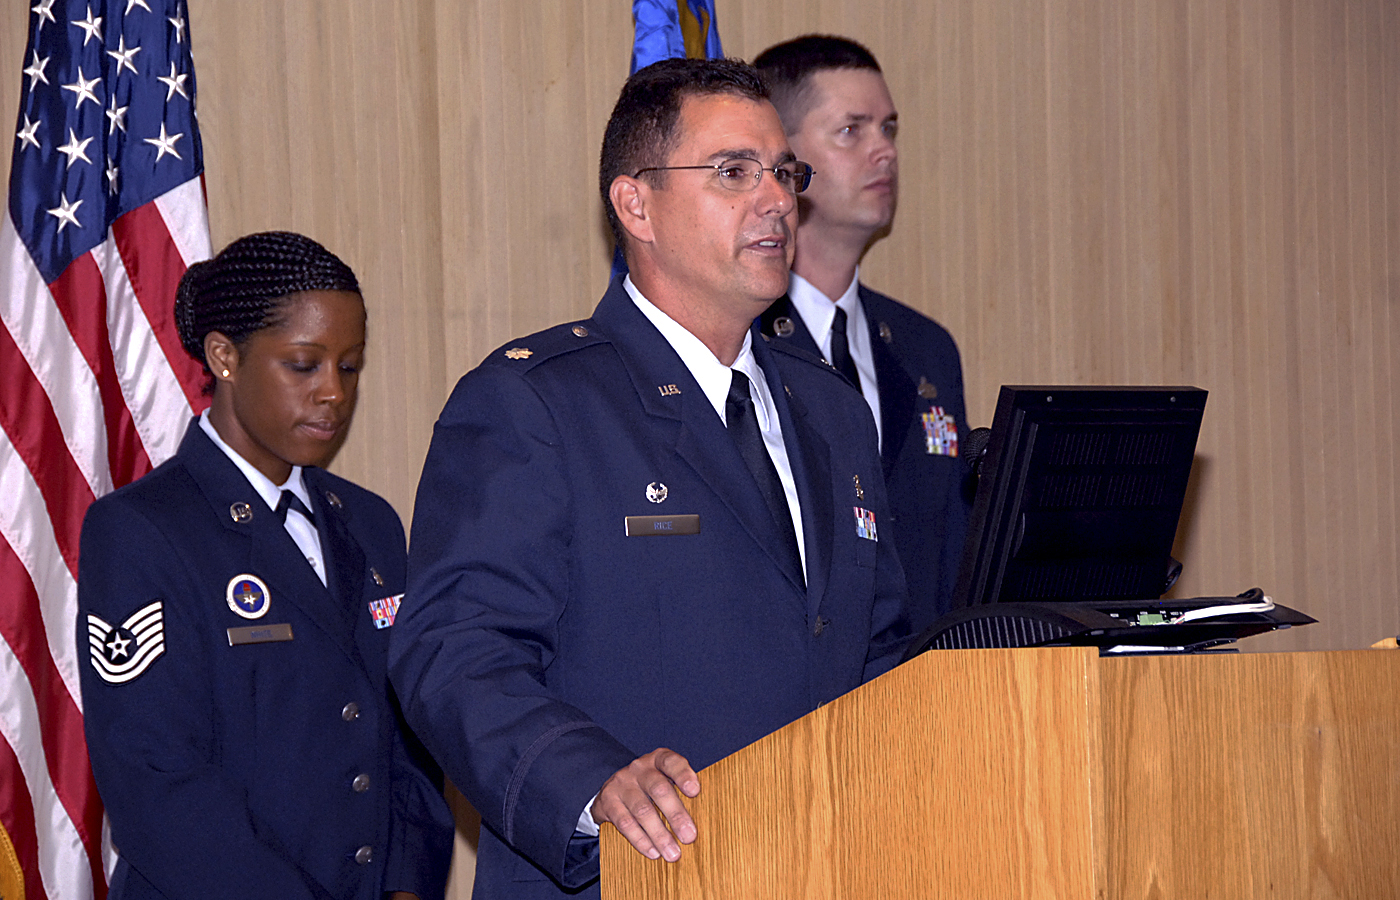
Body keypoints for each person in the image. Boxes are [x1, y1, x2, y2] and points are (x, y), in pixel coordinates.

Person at [389, 58, 908, 900]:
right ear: (636, 205)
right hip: (628, 875)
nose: (777, 199)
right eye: (735, 172)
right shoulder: (535, 403)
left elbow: (877, 650)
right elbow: (455, 654)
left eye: (784, 172)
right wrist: (593, 784)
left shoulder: (832, 410)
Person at [77, 231, 455, 900]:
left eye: (350, 365)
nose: (333, 392)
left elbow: (409, 737)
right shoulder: (142, 529)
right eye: (304, 365)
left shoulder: (369, 524)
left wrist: (405, 885)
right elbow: (154, 777)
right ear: (224, 356)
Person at [754, 36, 973, 632]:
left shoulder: (925, 347)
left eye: (889, 129)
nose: (885, 152)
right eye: (852, 130)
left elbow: (951, 550)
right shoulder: (740, 341)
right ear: (784, 158)